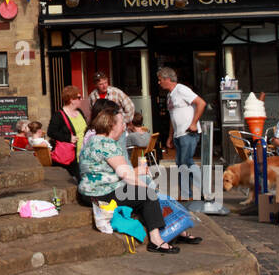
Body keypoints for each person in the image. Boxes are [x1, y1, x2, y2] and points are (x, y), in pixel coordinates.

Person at [79, 107, 199, 250]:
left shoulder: (92, 141)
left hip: (87, 194)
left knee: (143, 194)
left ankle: (177, 231)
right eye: (121, 123)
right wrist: (148, 190)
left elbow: (108, 172)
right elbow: (125, 174)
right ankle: (156, 240)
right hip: (102, 194)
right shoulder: (108, 144)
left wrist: (137, 175)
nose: (124, 127)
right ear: (111, 125)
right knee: (149, 196)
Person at [157, 66, 209, 208]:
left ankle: (205, 190)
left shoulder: (181, 89)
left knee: (186, 161)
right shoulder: (170, 95)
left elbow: (201, 103)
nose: (159, 82)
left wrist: (193, 123)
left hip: (188, 133)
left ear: (168, 79)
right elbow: (173, 117)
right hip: (179, 134)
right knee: (181, 163)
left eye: (160, 80)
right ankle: (186, 193)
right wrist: (170, 136)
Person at [46, 85, 87, 181]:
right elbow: (51, 132)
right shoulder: (58, 115)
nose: (81, 99)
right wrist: (68, 138)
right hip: (71, 158)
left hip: (84, 154)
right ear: (71, 100)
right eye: (79, 97)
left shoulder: (80, 112)